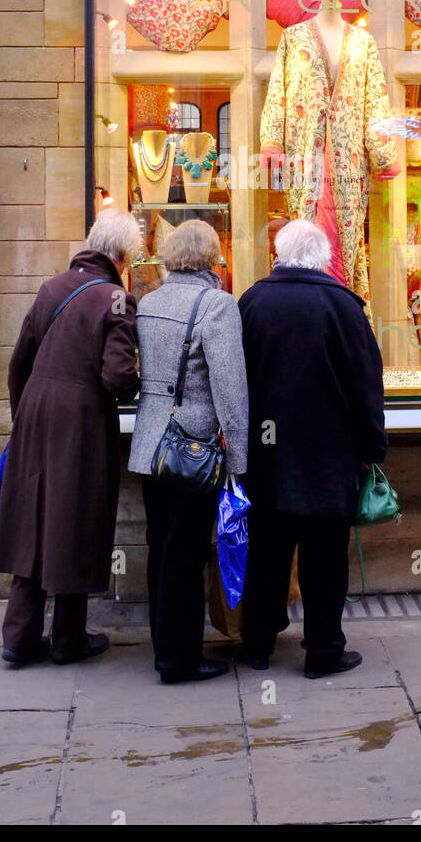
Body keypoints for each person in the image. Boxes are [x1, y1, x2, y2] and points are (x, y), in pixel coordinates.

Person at [0, 209, 140, 667]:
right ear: (121, 255)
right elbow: (116, 378)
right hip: (81, 422)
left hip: (35, 412)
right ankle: (68, 640)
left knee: (32, 518)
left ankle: (17, 638)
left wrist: (27, 416)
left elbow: (20, 362)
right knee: (76, 519)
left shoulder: (51, 286)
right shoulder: (117, 298)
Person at [238, 218, 388, 678]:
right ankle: (323, 650)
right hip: (328, 457)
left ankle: (258, 645)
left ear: (279, 253)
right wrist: (372, 446)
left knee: (266, 553)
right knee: (326, 559)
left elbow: (232, 381)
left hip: (267, 458)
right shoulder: (343, 307)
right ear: (323, 258)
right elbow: (367, 385)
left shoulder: (253, 301)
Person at [129, 219, 248, 684]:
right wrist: (239, 462)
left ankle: (166, 647)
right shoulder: (218, 306)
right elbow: (231, 392)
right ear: (213, 256)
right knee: (186, 555)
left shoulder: (150, 302)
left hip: (149, 448)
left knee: (160, 550)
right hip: (193, 451)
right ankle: (180, 659)